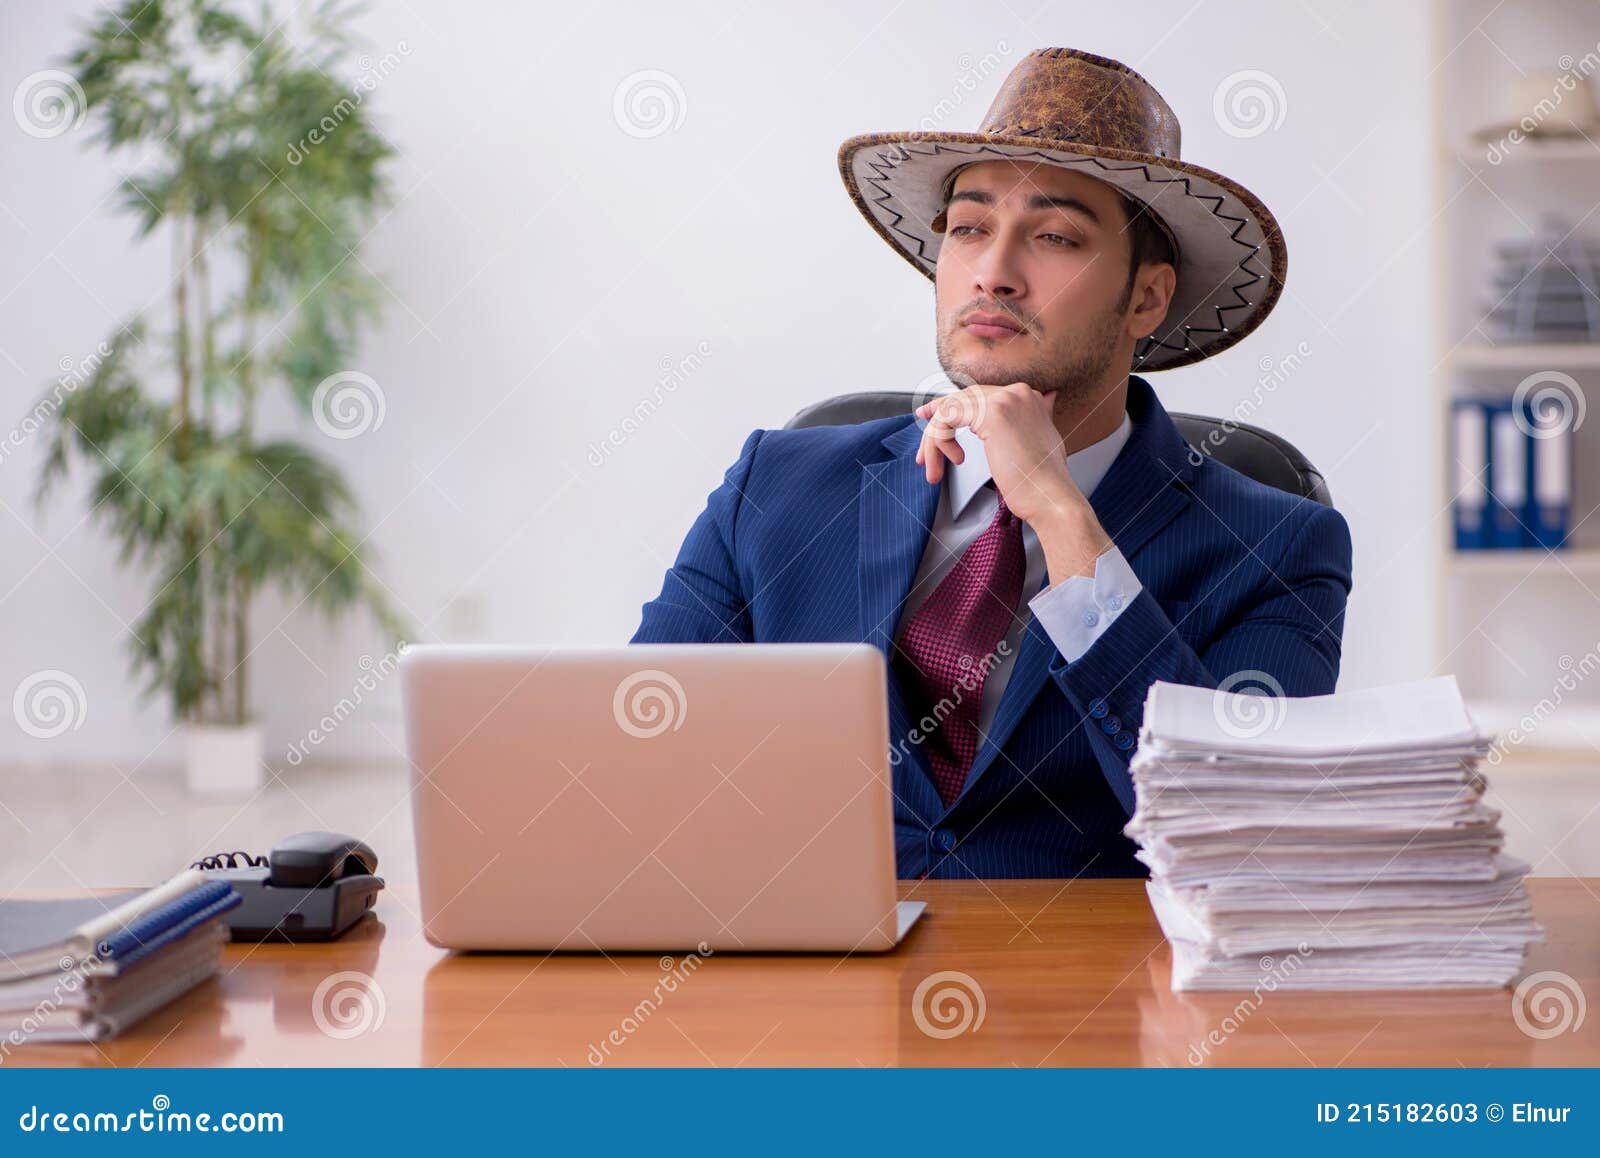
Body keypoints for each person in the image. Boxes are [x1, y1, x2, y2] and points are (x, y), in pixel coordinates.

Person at [632, 47, 1353, 879]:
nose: (994, 274)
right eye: (970, 228)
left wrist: (1060, 513)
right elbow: (644, 762)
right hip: (815, 952)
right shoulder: (777, 485)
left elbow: (1242, 838)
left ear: (1146, 298)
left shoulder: (1279, 545)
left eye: (1054, 237)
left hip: (1095, 963)